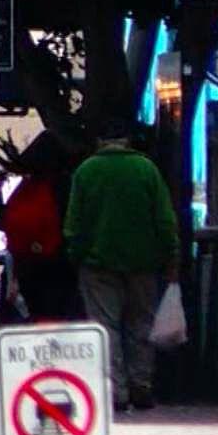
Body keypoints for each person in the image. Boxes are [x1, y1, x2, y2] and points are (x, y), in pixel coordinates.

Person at [64, 117, 179, 412]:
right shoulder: (146, 169)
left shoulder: (87, 171)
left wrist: (76, 255)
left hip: (98, 263)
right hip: (143, 262)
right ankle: (141, 382)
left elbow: (74, 223)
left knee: (105, 326)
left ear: (100, 141)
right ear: (128, 141)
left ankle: (115, 388)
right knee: (142, 323)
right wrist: (170, 255)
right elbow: (165, 220)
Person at [0, 130, 79, 322]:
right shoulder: (64, 185)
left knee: (35, 316)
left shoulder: (25, 188)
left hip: (25, 261)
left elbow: (2, 222)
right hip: (57, 261)